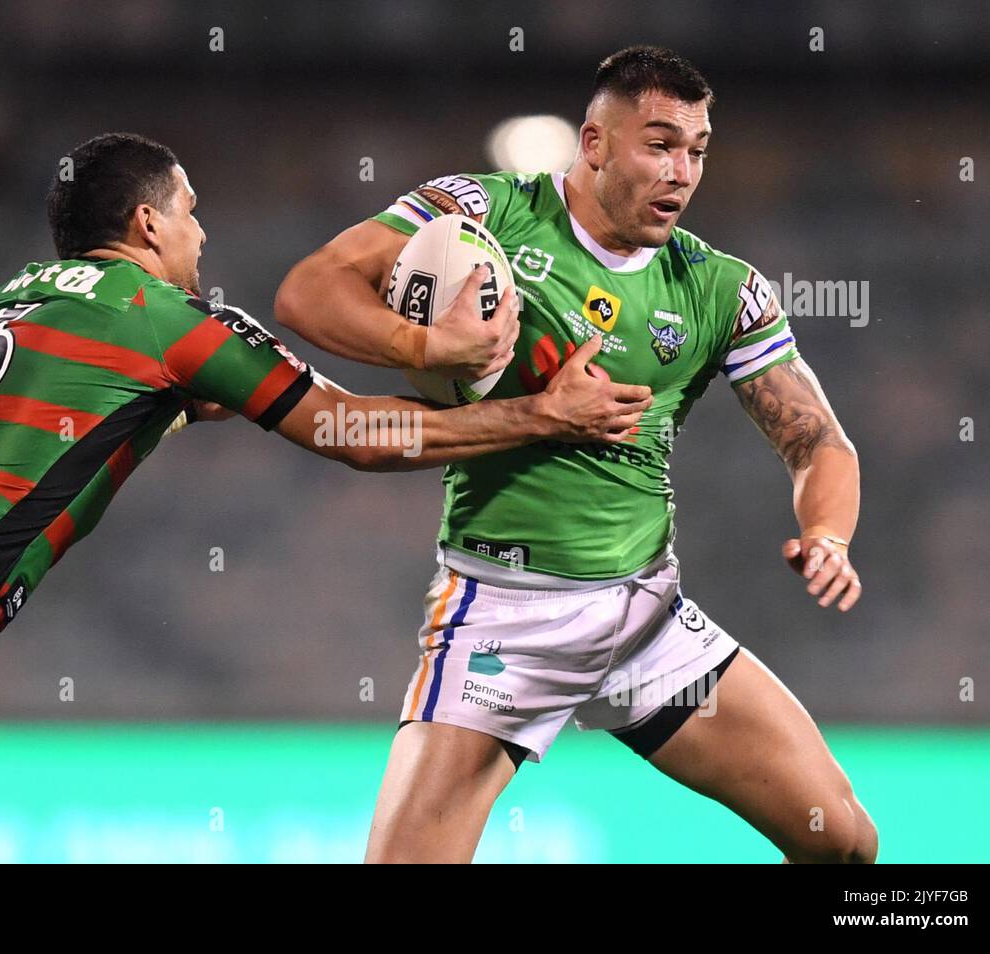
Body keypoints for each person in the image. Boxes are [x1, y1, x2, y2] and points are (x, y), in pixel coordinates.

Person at [0, 132, 652, 864]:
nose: (203, 235)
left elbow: (158, 402)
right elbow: (349, 436)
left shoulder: (13, 300)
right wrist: (539, 413)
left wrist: (413, 351)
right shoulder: (164, 318)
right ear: (147, 223)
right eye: (190, 212)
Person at [274, 46, 876, 863]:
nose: (682, 172)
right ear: (593, 143)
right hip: (503, 621)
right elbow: (308, 291)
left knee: (842, 842)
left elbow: (817, 441)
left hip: (644, 624)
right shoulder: (481, 213)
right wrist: (429, 342)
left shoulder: (720, 288)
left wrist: (829, 532)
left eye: (698, 151)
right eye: (659, 144)